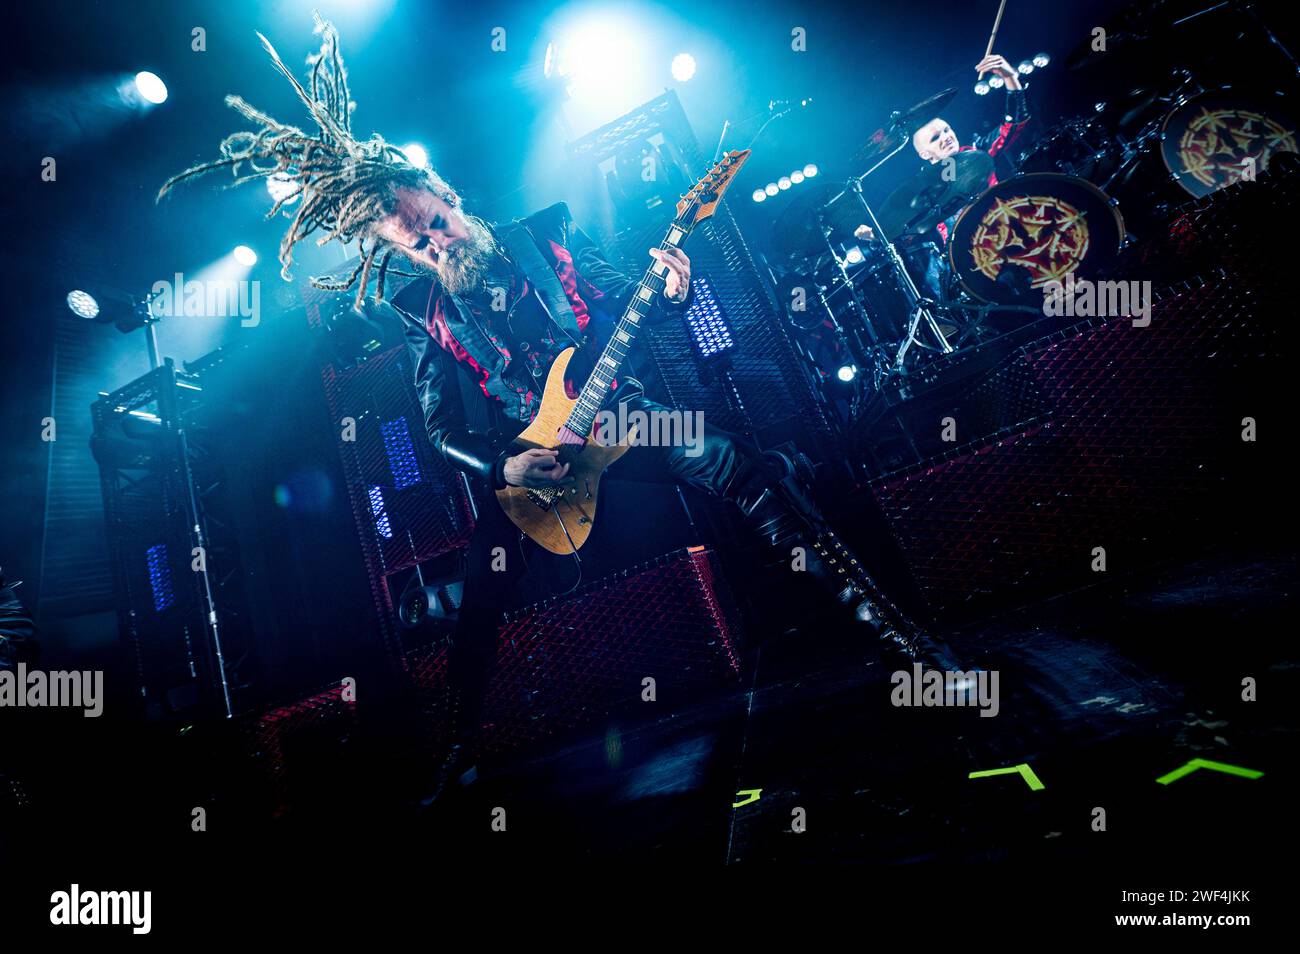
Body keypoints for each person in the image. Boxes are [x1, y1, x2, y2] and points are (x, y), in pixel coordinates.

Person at [158, 16, 964, 796]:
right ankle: (458, 752)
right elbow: (440, 427)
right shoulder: (425, 314)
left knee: (751, 474)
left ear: (446, 196)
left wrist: (676, 289)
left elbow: (624, 298)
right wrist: (503, 460)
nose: (437, 244)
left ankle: (910, 646)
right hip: (538, 461)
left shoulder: (547, 235)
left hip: (628, 419)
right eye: (417, 244)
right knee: (481, 590)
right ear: (399, 251)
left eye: (435, 222)